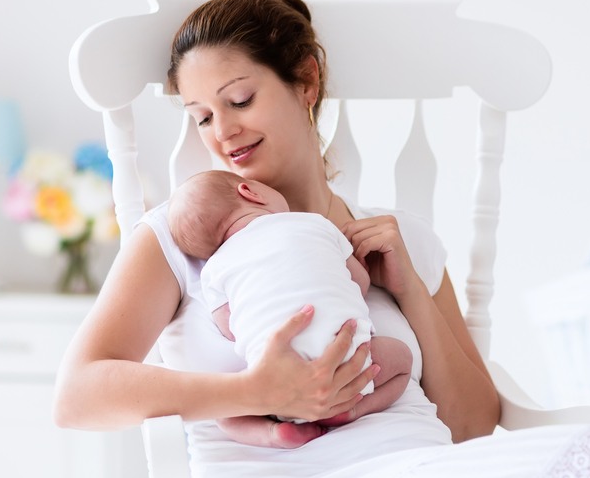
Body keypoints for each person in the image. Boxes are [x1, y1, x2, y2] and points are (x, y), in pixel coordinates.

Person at [54, 0, 590, 478]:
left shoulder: (398, 243)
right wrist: (257, 390)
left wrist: (408, 286)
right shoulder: (186, 235)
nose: (221, 133)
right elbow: (79, 394)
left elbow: (469, 425)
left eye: (239, 99)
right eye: (200, 116)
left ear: (306, 81)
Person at [166, 169, 413, 448]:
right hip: (352, 361)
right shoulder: (316, 224)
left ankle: (274, 433)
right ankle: (352, 409)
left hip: (273, 382)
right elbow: (361, 283)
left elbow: (230, 329)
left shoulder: (213, 270)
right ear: (250, 192)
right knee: (403, 360)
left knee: (225, 415)